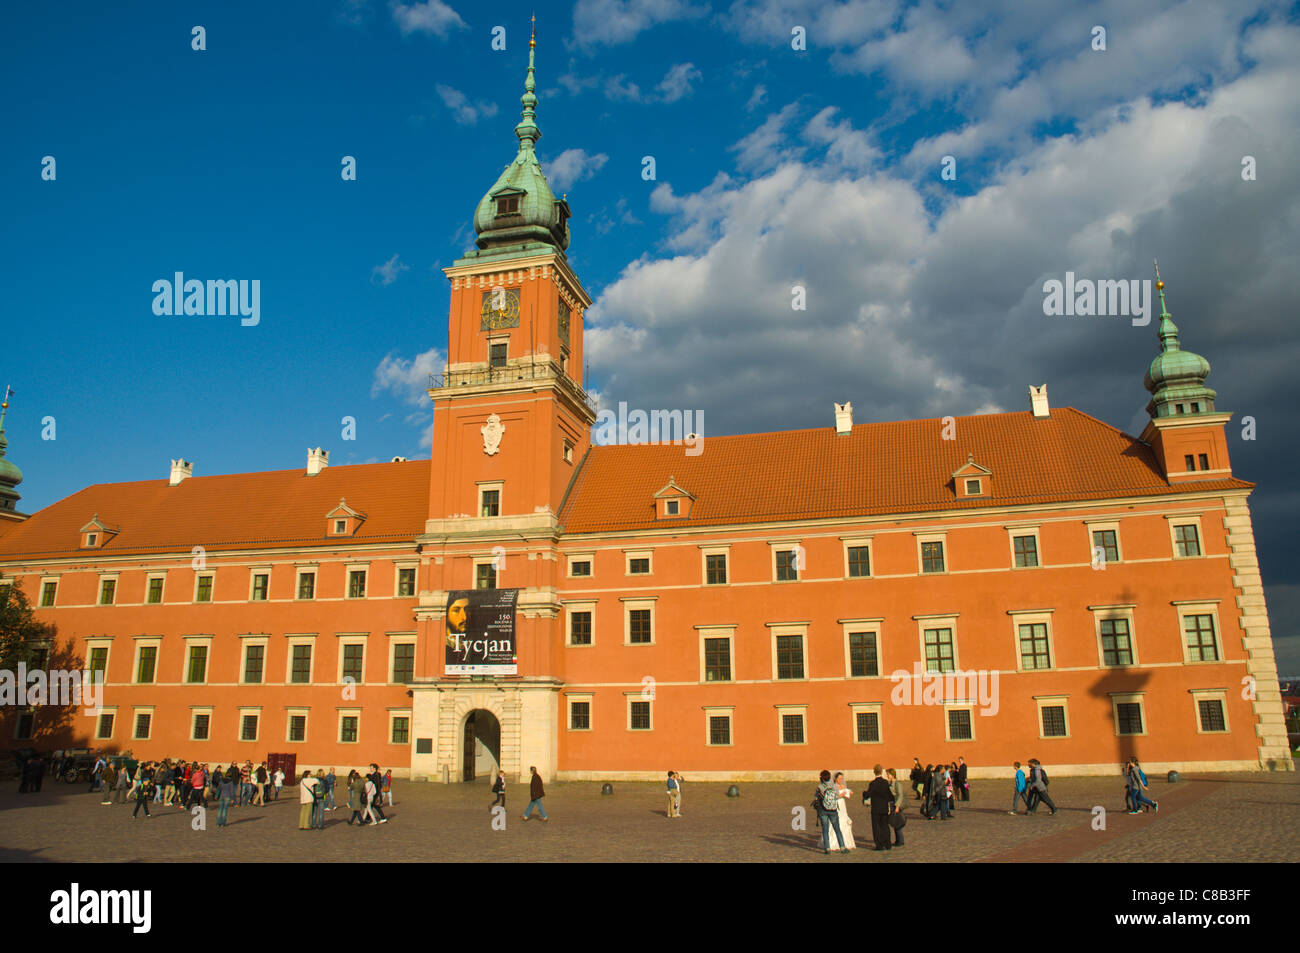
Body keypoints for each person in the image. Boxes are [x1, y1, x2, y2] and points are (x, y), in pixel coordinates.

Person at [814, 769, 847, 854]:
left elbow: (816, 798)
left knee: (825, 830)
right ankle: (842, 847)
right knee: (837, 829)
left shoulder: (820, 787)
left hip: (823, 810)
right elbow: (836, 796)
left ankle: (827, 848)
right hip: (833, 810)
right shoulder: (834, 786)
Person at [865, 765, 894, 850]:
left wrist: (864, 794)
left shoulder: (873, 783)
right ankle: (888, 844)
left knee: (876, 827)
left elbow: (868, 794)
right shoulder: (885, 782)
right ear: (881, 772)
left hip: (876, 809)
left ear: (874, 772)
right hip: (884, 808)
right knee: (885, 826)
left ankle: (879, 845)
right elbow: (890, 795)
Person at [832, 771, 855, 849]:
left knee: (844, 820)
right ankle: (836, 842)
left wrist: (849, 793)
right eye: (839, 778)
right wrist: (840, 795)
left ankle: (846, 842)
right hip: (836, 804)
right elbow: (833, 797)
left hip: (842, 805)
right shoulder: (834, 786)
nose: (841, 780)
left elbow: (848, 793)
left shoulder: (843, 786)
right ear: (835, 779)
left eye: (842, 778)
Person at [887, 768, 905, 847]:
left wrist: (897, 806)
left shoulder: (897, 783)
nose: (887, 775)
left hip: (896, 804)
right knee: (894, 822)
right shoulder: (890, 783)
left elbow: (900, 795)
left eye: (888, 774)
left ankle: (900, 840)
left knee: (897, 822)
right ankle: (898, 840)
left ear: (892, 775)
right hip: (891, 804)